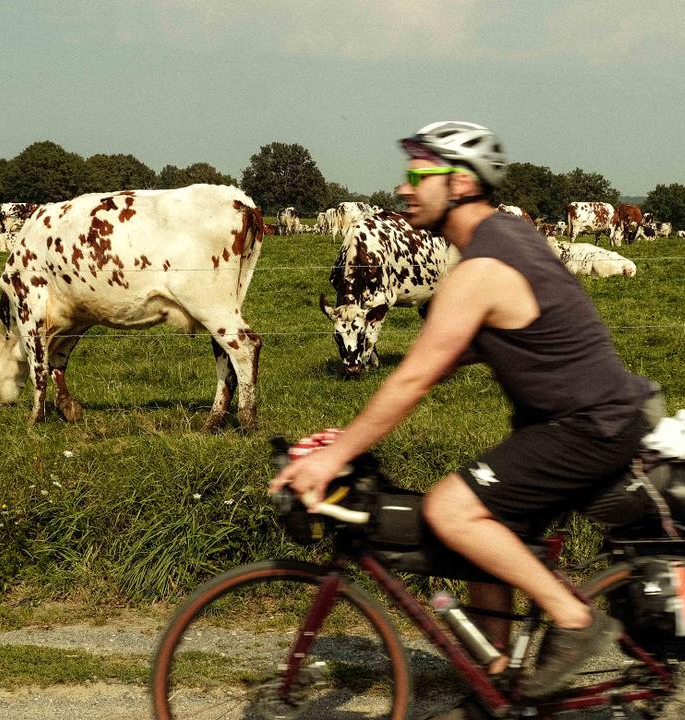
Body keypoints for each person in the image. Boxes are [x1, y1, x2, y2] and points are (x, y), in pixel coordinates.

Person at [269, 121, 656, 707]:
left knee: (453, 509)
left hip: (586, 427)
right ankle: (496, 688)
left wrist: (337, 457)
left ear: (457, 183)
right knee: (485, 534)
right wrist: (349, 437)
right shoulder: (504, 238)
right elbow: (440, 360)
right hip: (584, 421)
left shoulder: (479, 271)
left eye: (417, 176)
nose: (403, 189)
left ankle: (574, 618)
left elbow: (414, 377)